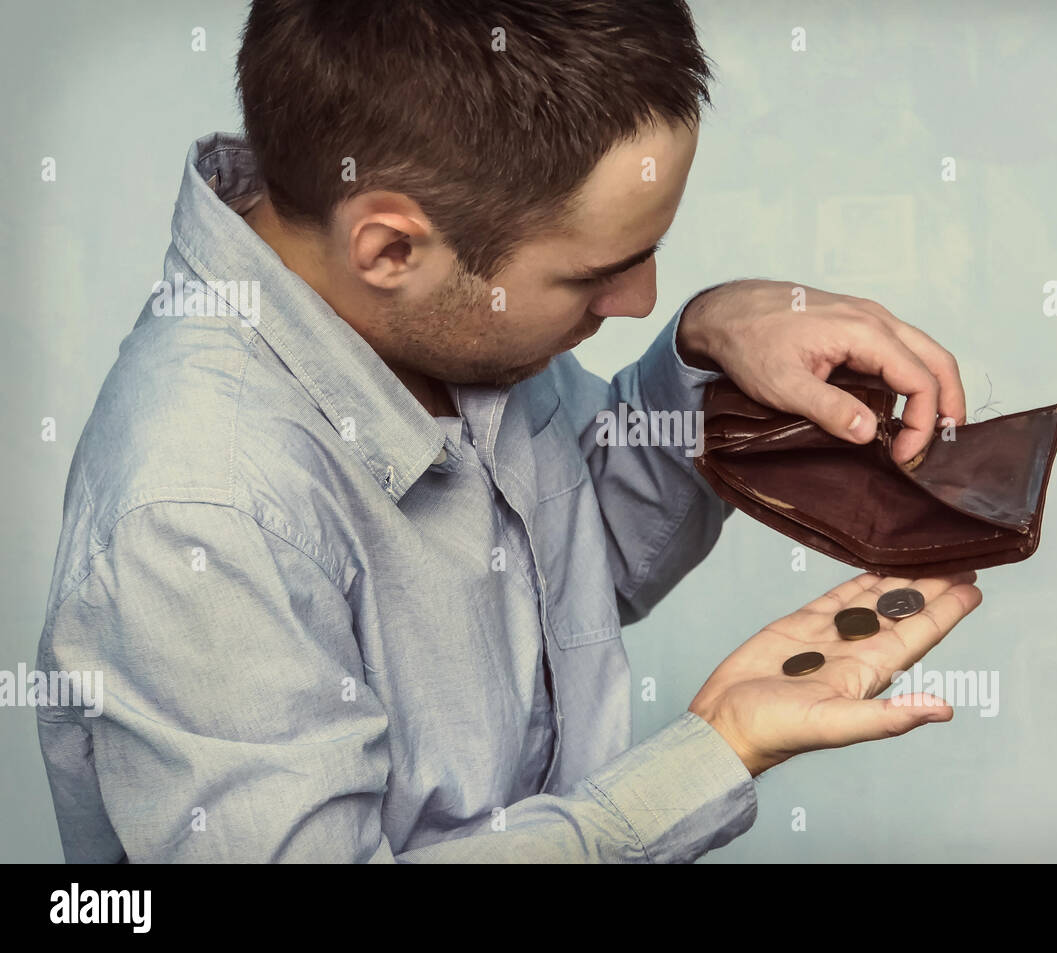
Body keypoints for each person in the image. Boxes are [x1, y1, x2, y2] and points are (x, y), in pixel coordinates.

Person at [36, 0, 981, 863]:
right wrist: (714, 752)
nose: (636, 301)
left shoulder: (442, 315)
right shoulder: (198, 514)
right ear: (391, 249)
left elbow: (564, 570)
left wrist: (703, 353)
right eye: (596, 274)